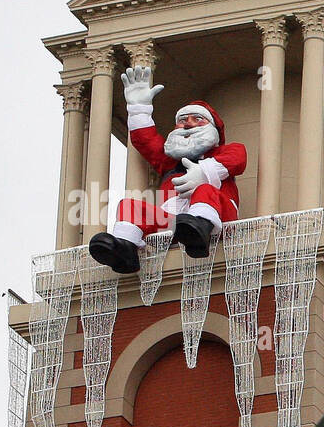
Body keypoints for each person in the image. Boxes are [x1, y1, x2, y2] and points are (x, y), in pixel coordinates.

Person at [88, 65, 247, 272]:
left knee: (204, 190)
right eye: (182, 120)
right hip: (172, 223)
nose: (188, 124)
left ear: (213, 129)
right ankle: (124, 249)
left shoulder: (224, 151)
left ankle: (200, 232)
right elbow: (146, 141)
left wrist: (205, 173)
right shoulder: (170, 161)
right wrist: (138, 108)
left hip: (218, 218)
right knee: (130, 206)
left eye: (197, 119)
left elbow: (237, 158)